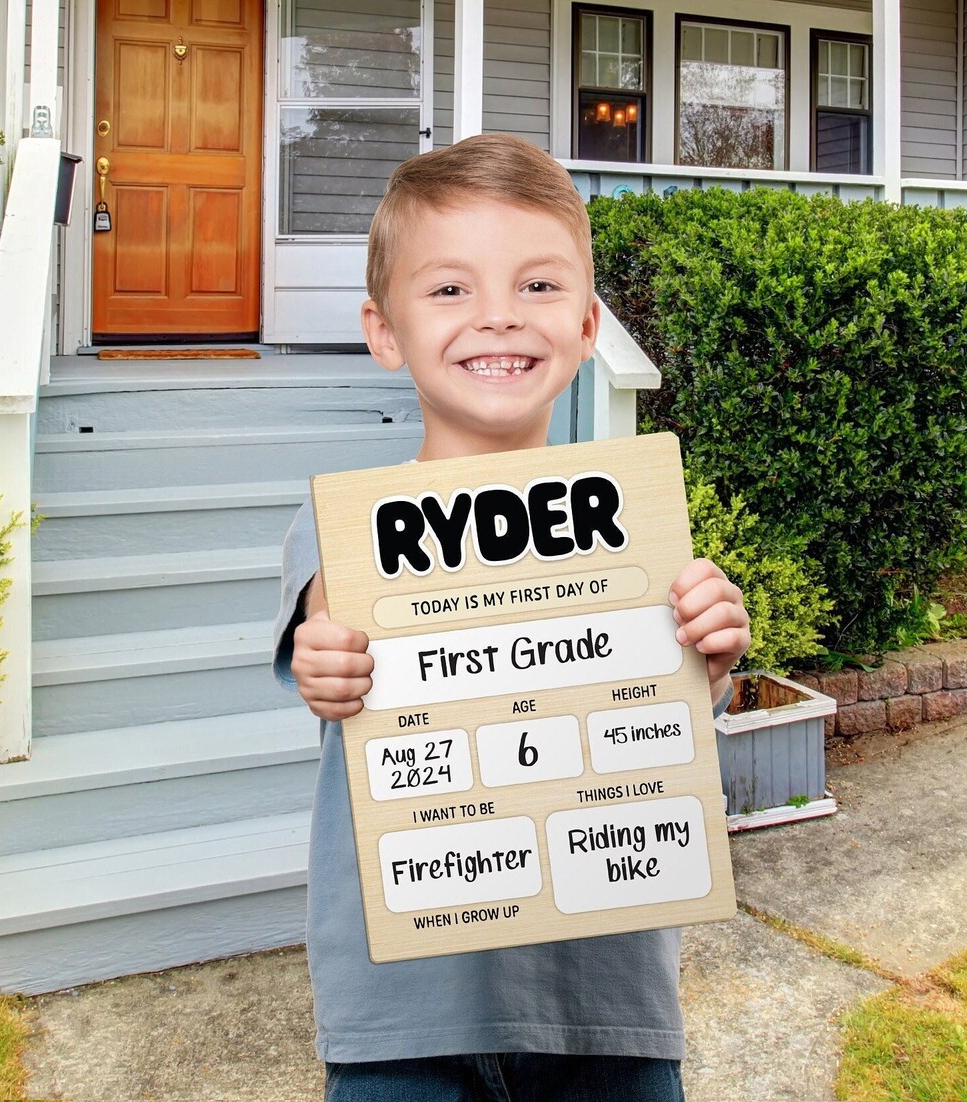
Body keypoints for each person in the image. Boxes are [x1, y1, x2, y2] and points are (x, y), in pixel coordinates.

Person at [273, 133, 751, 1102]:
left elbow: (663, 709)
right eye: (450, 289)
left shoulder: (637, 522)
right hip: (403, 1019)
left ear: (586, 327)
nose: (498, 315)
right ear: (384, 330)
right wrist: (324, 660)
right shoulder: (342, 527)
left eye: (538, 286)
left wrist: (709, 650)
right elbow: (323, 634)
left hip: (608, 1005)